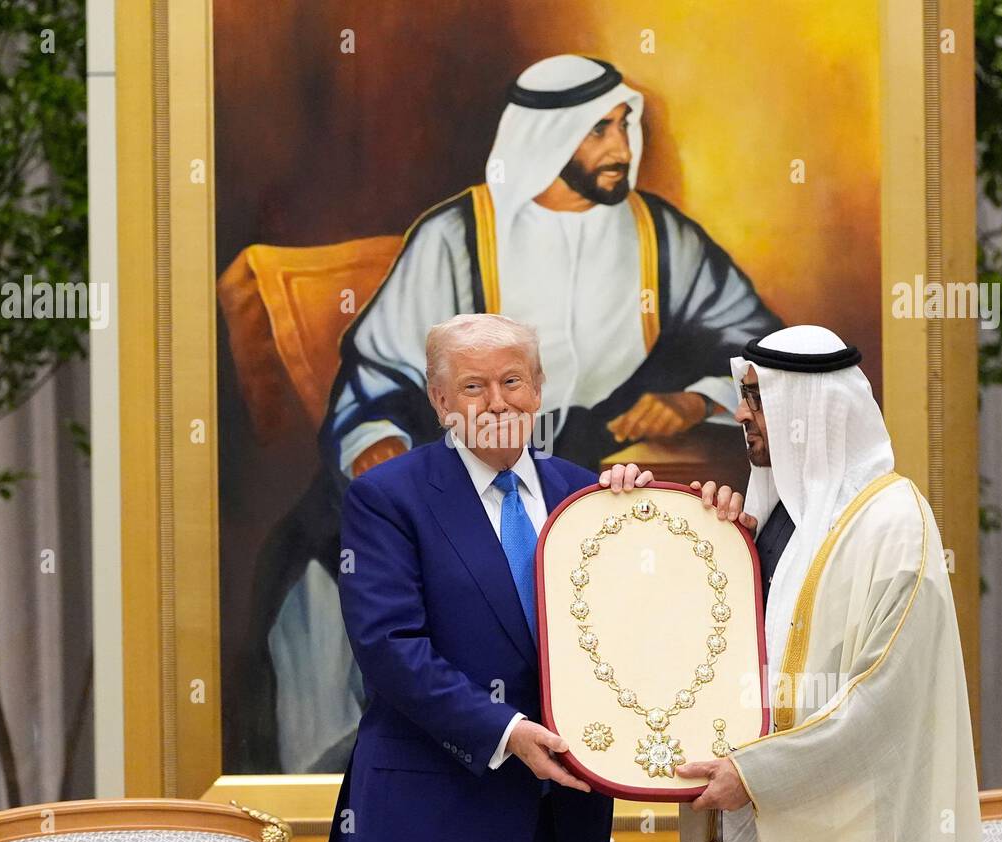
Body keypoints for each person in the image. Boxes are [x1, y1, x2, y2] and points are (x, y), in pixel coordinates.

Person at [260, 53, 781, 773]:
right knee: (311, 560)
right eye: (599, 131)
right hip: (437, 470)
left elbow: (755, 344)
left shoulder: (659, 235)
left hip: (580, 467)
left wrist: (696, 398)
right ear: (548, 137)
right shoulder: (457, 234)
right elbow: (377, 370)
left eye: (625, 124)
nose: (620, 148)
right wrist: (378, 450)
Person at [323, 313, 653, 842]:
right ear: (440, 400)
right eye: (474, 387)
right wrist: (507, 730)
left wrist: (660, 518)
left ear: (538, 388)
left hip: (566, 820)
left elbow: (636, 630)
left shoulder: (588, 495)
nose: (497, 403)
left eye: (512, 381)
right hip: (430, 816)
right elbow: (390, 648)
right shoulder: (387, 497)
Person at [673, 325, 984, 842]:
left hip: (849, 838)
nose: (741, 415)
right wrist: (707, 545)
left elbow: (883, 698)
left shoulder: (893, 523)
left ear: (809, 410)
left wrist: (759, 773)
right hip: (746, 820)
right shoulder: (766, 518)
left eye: (756, 398)